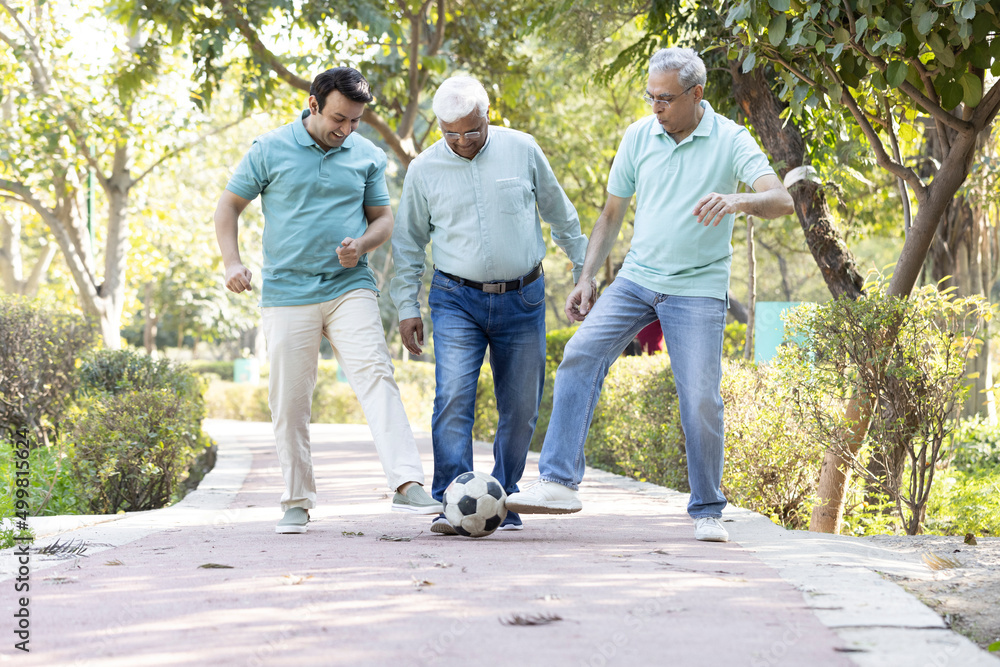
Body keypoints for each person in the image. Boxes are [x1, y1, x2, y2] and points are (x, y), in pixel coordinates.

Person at [506, 48, 794, 543]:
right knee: (579, 354)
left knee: (700, 398)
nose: (656, 107)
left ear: (696, 94)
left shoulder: (730, 139)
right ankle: (557, 482)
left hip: (698, 288)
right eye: (651, 97)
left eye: (665, 99)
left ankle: (707, 508)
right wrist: (587, 275)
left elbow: (781, 199)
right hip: (638, 278)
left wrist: (737, 199)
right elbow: (611, 214)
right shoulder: (639, 135)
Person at [214, 66, 442, 534]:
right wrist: (231, 263)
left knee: (377, 373)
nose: (347, 129)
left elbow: (383, 219)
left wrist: (361, 244)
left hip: (347, 286)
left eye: (356, 121)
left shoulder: (366, 155)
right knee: (290, 399)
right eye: (339, 118)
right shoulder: (269, 148)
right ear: (314, 105)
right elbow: (228, 206)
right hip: (286, 292)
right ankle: (297, 499)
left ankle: (406, 483)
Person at [390, 76, 589, 535]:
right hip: (455, 296)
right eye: (450, 133)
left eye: (470, 131)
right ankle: (452, 502)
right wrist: (407, 304)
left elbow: (560, 214)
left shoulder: (522, 149)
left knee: (520, 407)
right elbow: (408, 244)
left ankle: (505, 497)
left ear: (487, 116)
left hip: (523, 296)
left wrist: (584, 270)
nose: (461, 142)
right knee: (453, 397)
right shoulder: (423, 169)